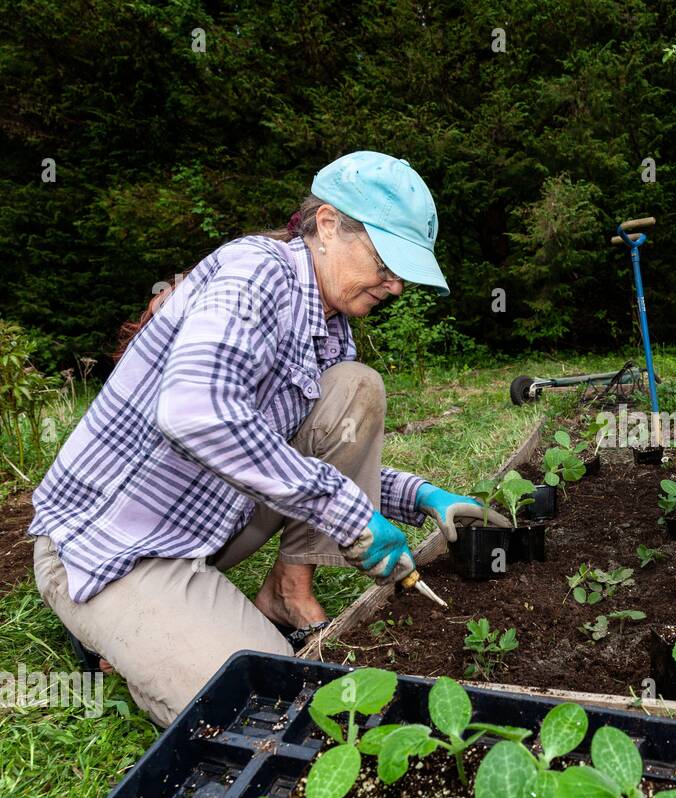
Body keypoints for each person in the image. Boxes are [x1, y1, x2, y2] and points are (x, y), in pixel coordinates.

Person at [29, 151, 507, 726]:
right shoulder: (256, 272)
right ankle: (117, 632)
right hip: (112, 545)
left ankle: (283, 592)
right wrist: (347, 515)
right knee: (267, 708)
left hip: (204, 525)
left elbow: (302, 454)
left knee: (354, 387)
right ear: (327, 225)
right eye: (386, 261)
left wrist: (424, 496)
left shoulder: (330, 330)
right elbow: (196, 412)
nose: (396, 285)